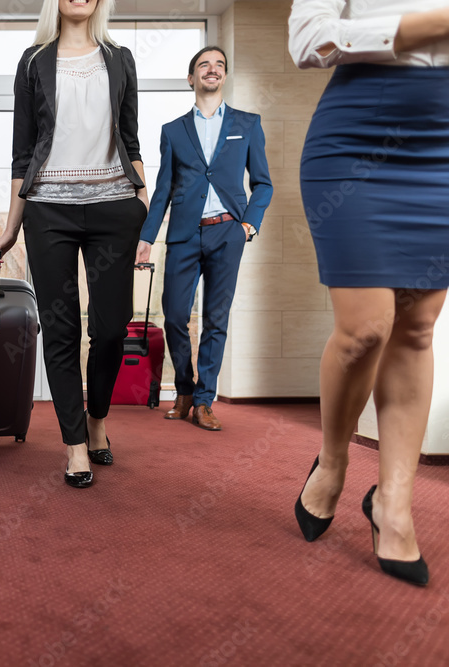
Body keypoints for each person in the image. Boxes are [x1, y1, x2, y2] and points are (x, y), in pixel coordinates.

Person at [289, 0, 449, 587]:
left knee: (419, 326)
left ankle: (393, 503)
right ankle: (332, 461)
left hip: (445, 146)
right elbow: (309, 40)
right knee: (366, 328)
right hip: (356, 135)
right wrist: (434, 24)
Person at [0, 0, 148, 489]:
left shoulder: (119, 58)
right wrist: (12, 225)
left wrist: (142, 207)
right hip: (49, 211)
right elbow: (23, 150)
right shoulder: (33, 61)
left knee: (110, 328)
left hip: (115, 206)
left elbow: (131, 141)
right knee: (60, 328)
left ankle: (97, 416)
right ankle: (75, 443)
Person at [136, 46, 272, 431]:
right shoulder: (173, 131)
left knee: (216, 318)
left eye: (220, 65)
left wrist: (249, 224)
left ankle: (204, 400)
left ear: (224, 76)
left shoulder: (248, 124)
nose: (212, 70)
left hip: (227, 232)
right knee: (175, 316)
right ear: (191, 78)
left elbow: (263, 183)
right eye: (204, 65)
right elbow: (162, 190)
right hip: (182, 234)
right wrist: (147, 237)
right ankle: (183, 388)